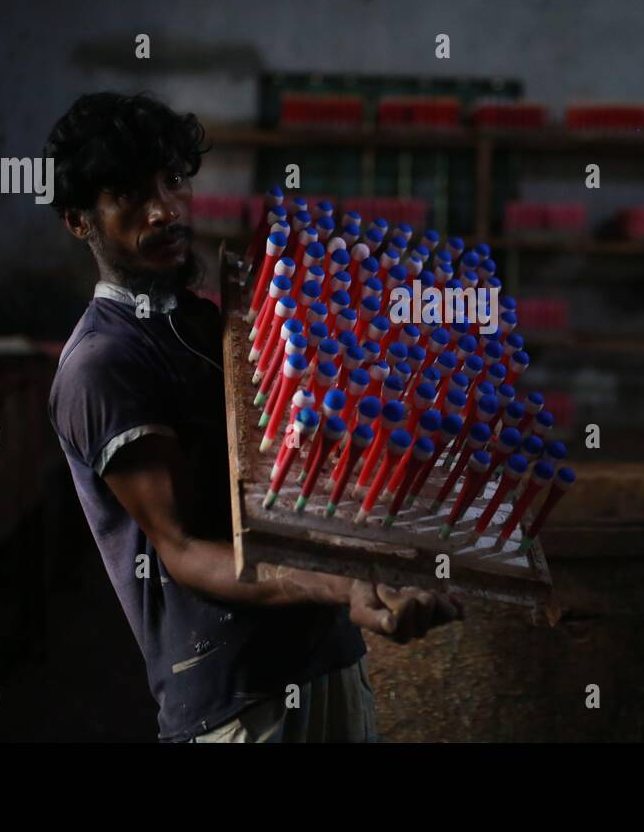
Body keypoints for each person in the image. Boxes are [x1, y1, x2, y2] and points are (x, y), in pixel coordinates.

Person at [44, 92, 462, 742]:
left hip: (327, 660)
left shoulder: (209, 322)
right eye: (129, 195)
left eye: (174, 182)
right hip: (238, 700)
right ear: (79, 221)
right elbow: (183, 552)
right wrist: (338, 584)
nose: (163, 209)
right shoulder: (104, 364)